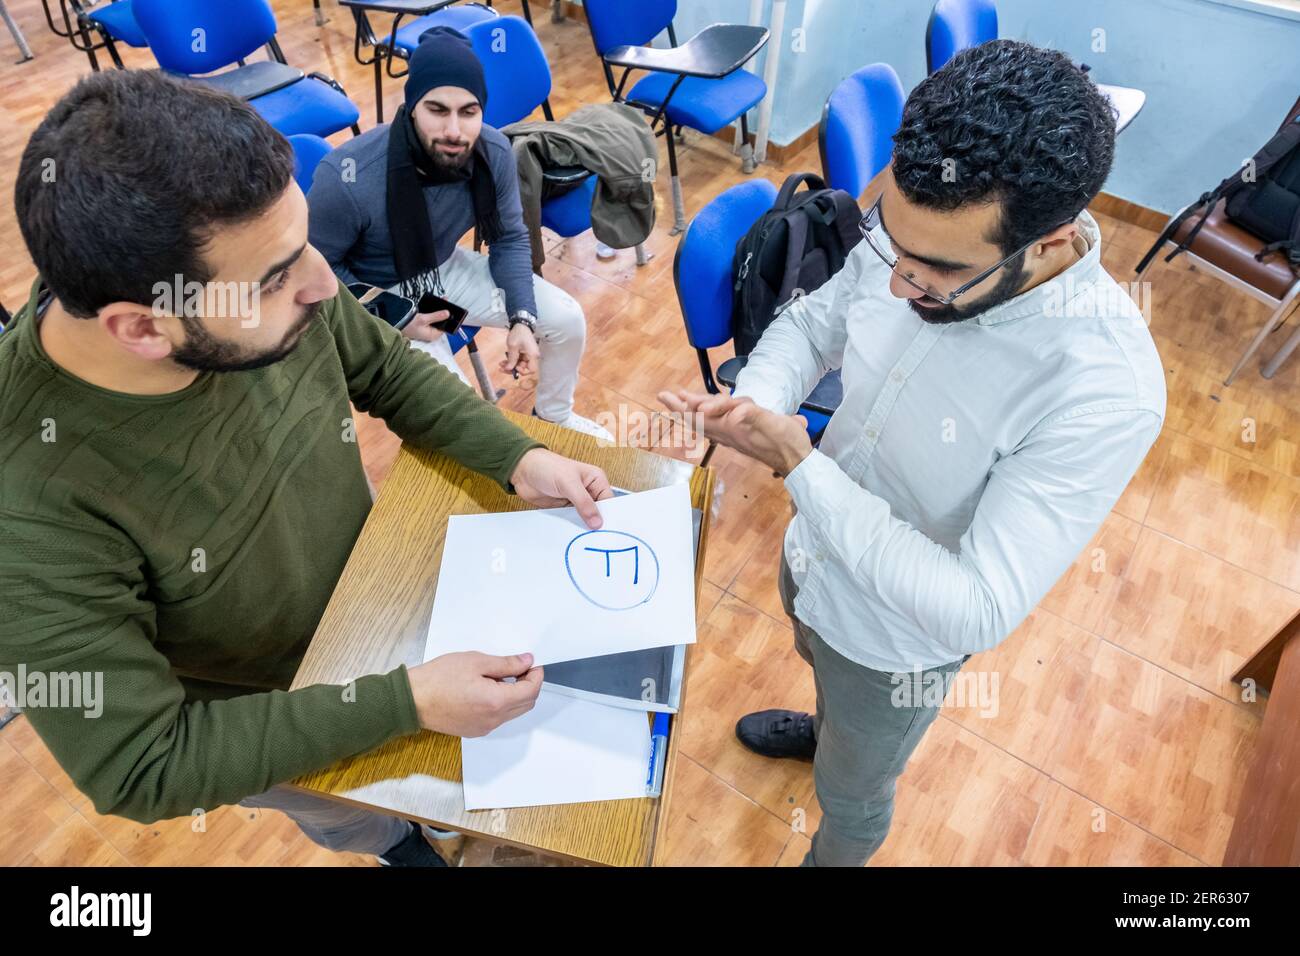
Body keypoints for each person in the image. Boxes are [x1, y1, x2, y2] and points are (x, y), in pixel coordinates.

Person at [1, 69, 614, 867]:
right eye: (276, 280)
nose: (324, 285)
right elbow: (143, 763)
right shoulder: (30, 510)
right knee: (366, 822)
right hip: (280, 722)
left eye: (301, 248)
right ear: (143, 329)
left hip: (385, 614)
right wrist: (405, 702)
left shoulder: (256, 287)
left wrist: (518, 455)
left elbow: (387, 369)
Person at [661, 40, 1166, 867]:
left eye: (934, 272)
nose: (896, 282)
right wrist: (761, 397)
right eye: (891, 245)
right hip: (815, 563)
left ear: (1046, 244)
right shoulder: (919, 228)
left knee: (855, 794)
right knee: (815, 661)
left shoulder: (1103, 388)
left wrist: (801, 467)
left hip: (893, 647)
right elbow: (816, 322)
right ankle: (824, 726)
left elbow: (976, 606)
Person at [308, 27, 611, 440]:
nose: (454, 130)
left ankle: (554, 417)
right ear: (412, 107)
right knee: (461, 416)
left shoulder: (493, 152)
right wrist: (396, 317)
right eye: (437, 109)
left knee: (565, 319)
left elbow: (508, 237)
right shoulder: (349, 178)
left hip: (440, 269)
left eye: (468, 112)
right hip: (376, 293)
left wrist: (521, 318)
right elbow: (316, 273)